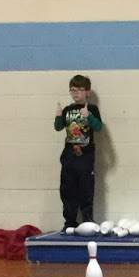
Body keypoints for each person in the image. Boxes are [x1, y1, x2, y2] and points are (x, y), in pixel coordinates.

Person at [55, 74, 103, 230]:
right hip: (69, 156)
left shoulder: (92, 109)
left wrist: (89, 116)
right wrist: (58, 116)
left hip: (85, 156)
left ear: (87, 92)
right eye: (73, 90)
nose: (75, 93)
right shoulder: (68, 109)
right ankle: (69, 221)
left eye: (79, 90)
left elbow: (98, 127)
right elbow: (58, 127)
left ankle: (87, 220)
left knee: (86, 189)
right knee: (67, 189)